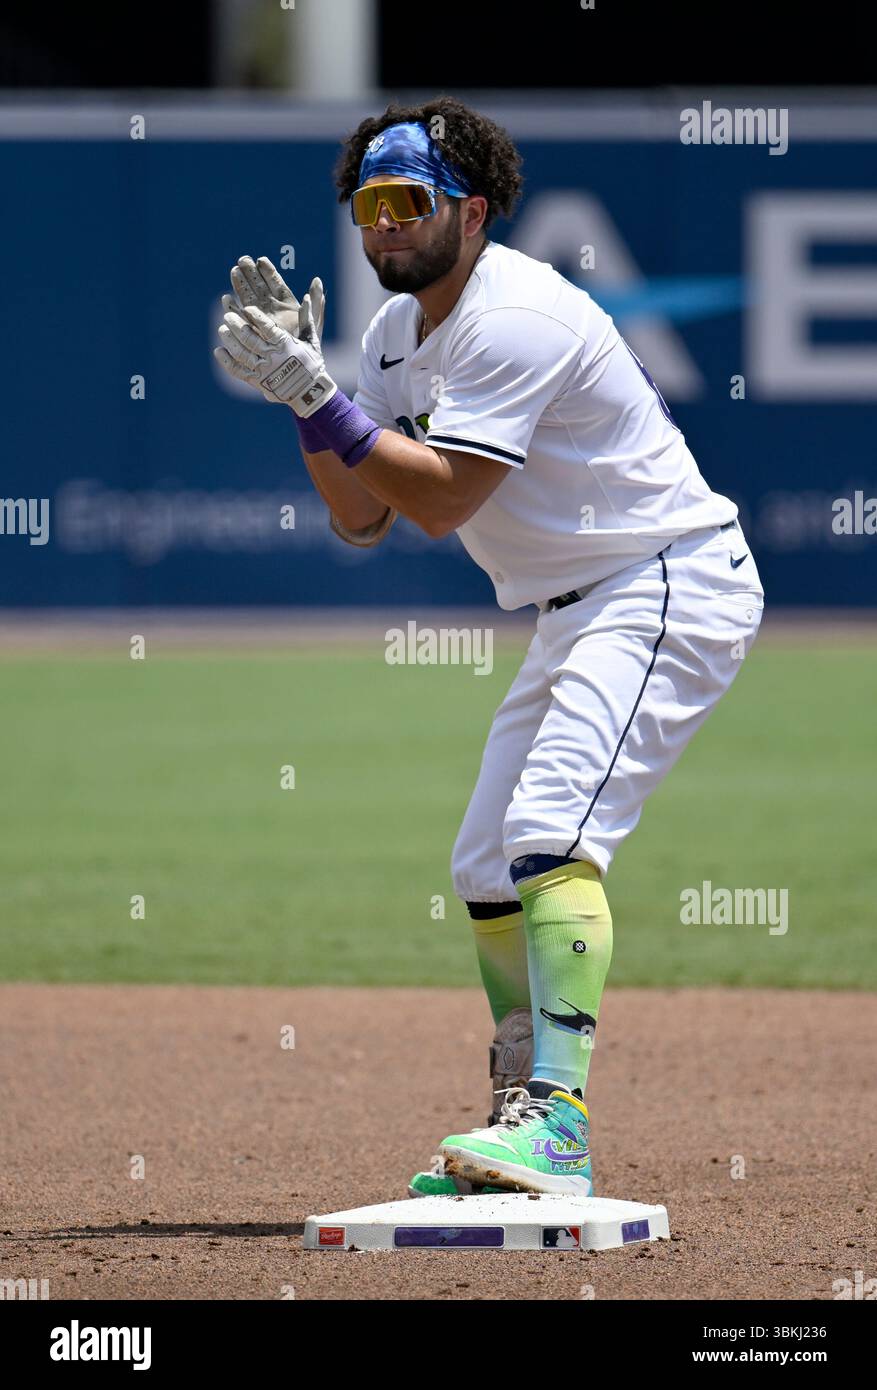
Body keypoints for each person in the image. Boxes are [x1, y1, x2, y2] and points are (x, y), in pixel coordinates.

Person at [214, 96, 764, 1198]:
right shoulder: (390, 335)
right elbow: (360, 517)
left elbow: (445, 499)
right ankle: (519, 1107)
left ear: (470, 213)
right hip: (578, 605)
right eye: (367, 205)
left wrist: (322, 397)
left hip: (667, 578)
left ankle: (558, 1125)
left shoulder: (518, 313)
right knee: (486, 863)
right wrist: (302, 394)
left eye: (406, 203)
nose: (382, 228)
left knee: (550, 825)